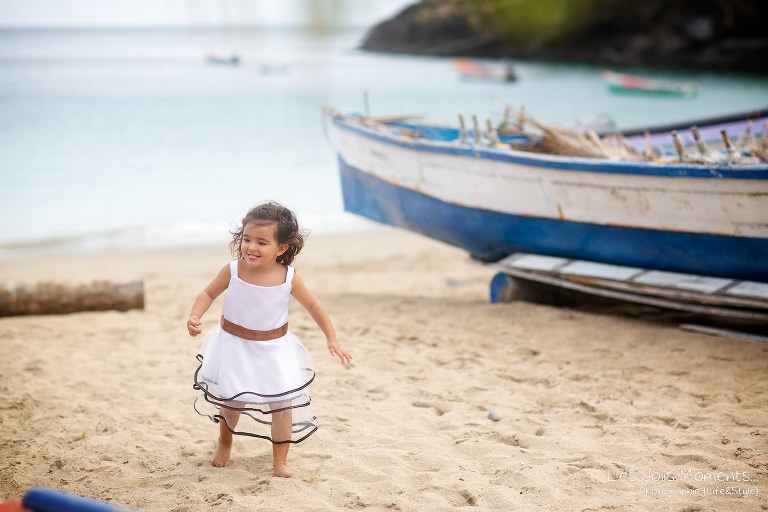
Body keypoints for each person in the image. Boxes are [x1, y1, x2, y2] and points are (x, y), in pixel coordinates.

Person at [187, 201, 351, 478]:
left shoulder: (288, 277)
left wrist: (331, 338)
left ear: (281, 248)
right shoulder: (233, 270)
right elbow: (207, 293)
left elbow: (314, 306)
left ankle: (279, 462)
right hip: (234, 344)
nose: (251, 247)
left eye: (262, 242)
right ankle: (224, 443)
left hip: (275, 350)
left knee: (282, 405)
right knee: (232, 401)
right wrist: (195, 315)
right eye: (247, 239)